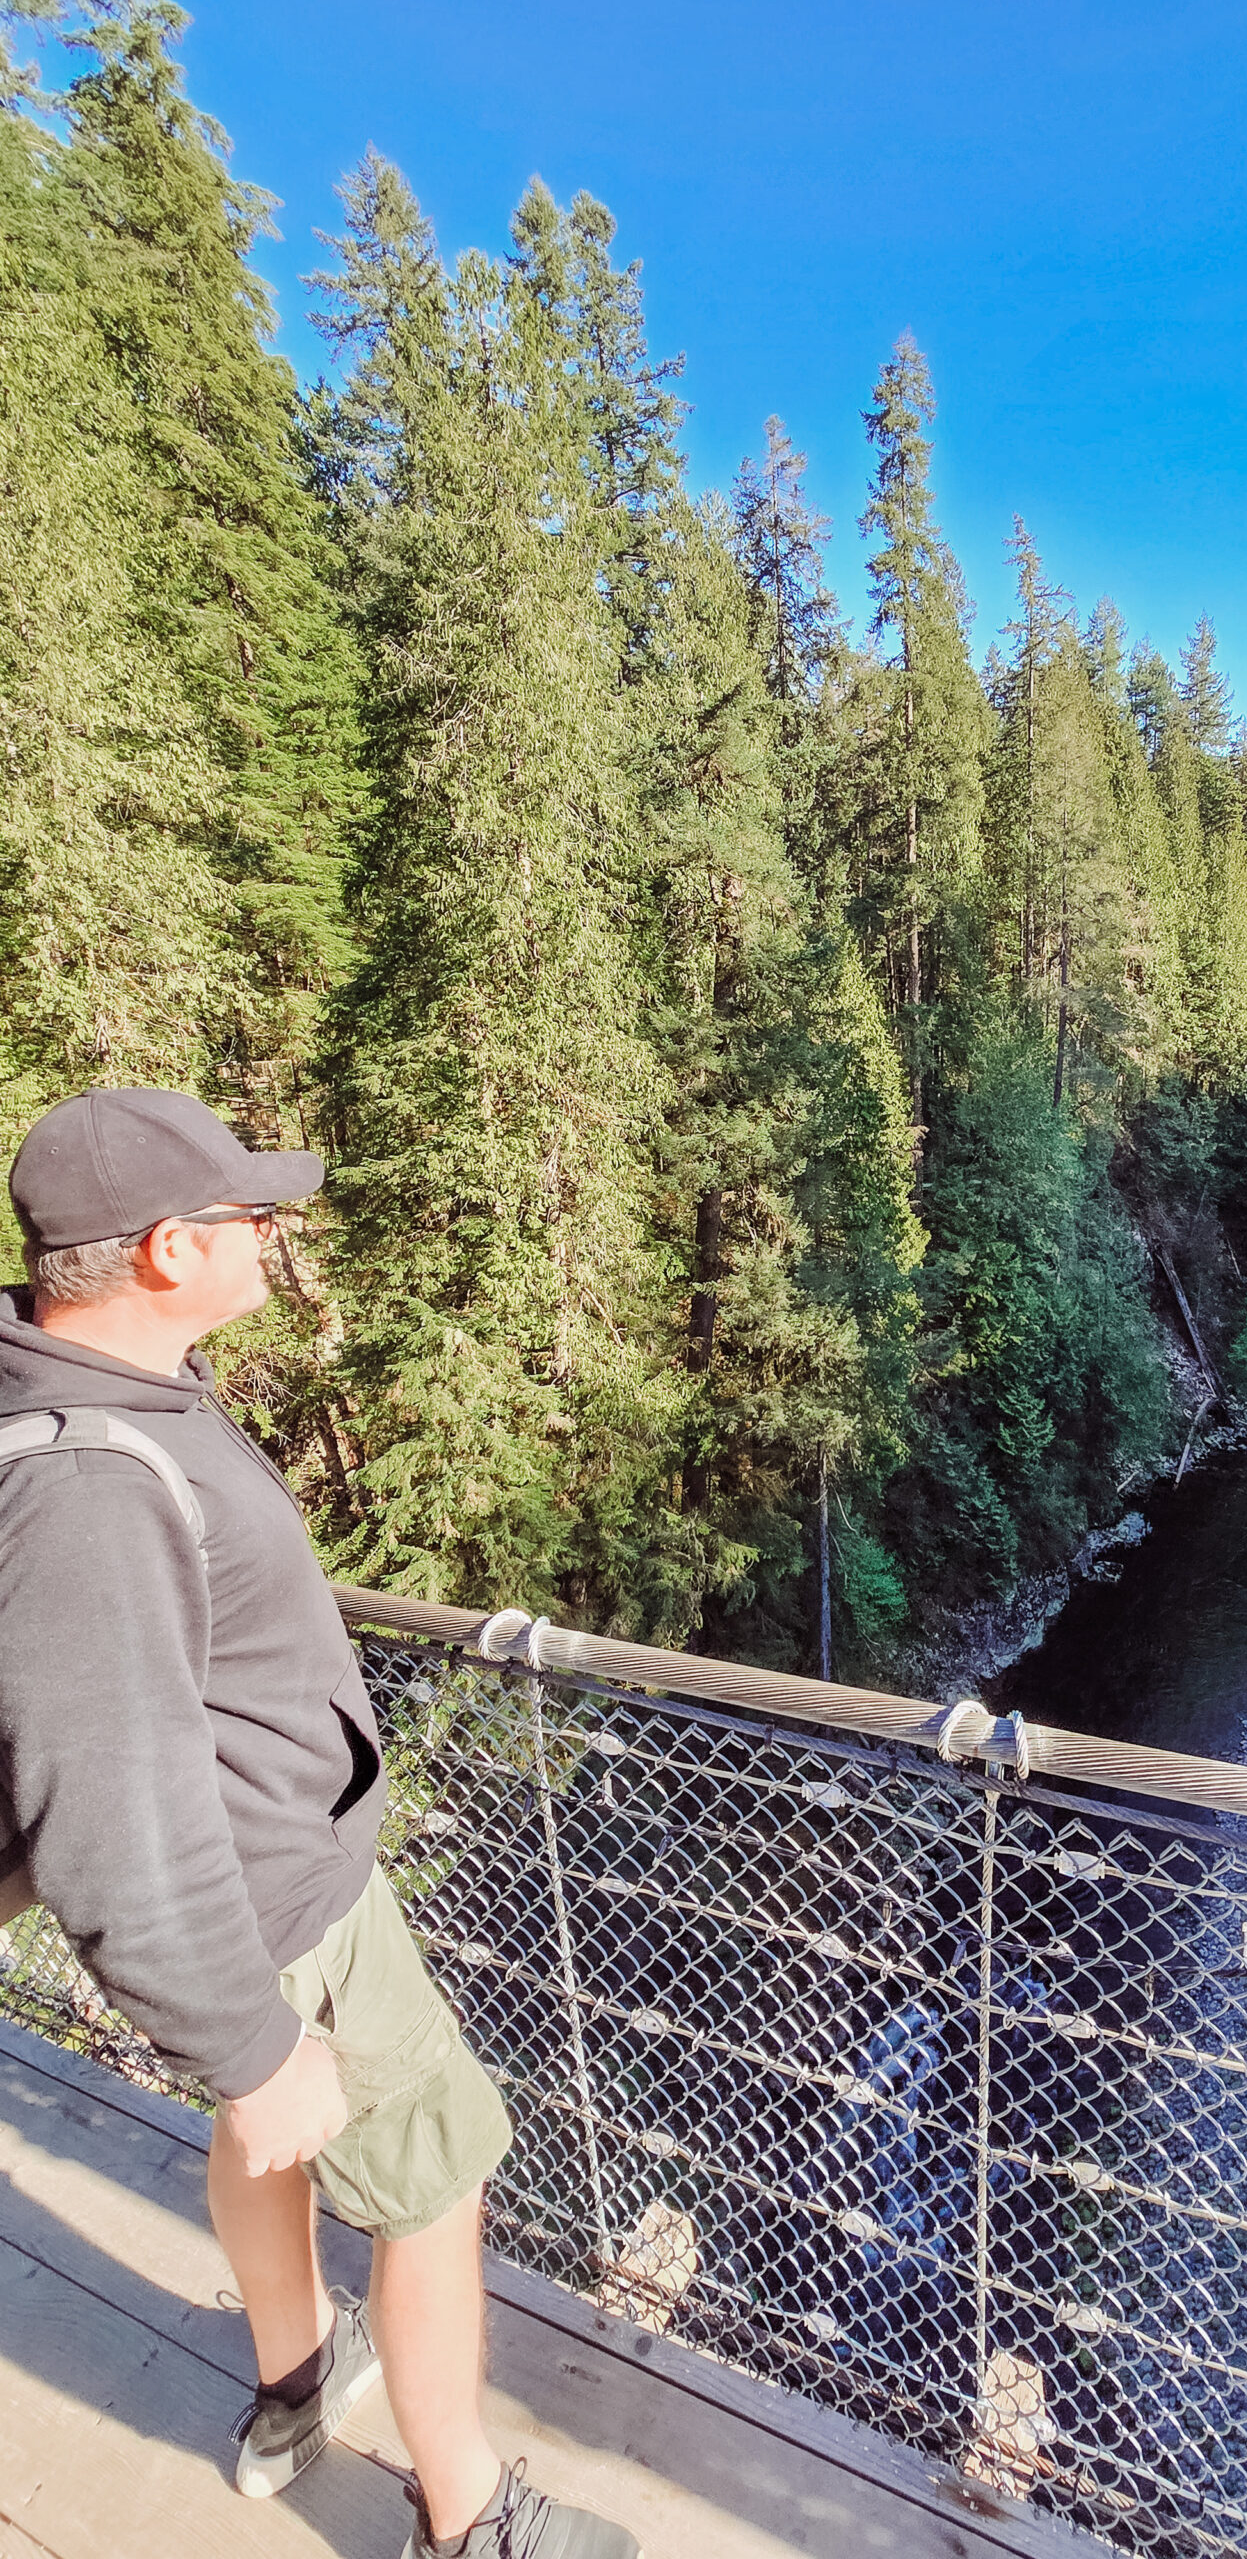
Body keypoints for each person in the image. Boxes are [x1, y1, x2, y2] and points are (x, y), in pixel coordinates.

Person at [0, 1089, 636, 2559]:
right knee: (436, 2182)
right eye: (249, 1217)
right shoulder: (89, 1481)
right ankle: (469, 2515)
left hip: (259, 1879)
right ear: (166, 1250)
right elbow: (101, 1811)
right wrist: (248, 2039)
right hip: (280, 1893)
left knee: (269, 2140)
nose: (273, 1237)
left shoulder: (106, 1385)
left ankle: (299, 2383)